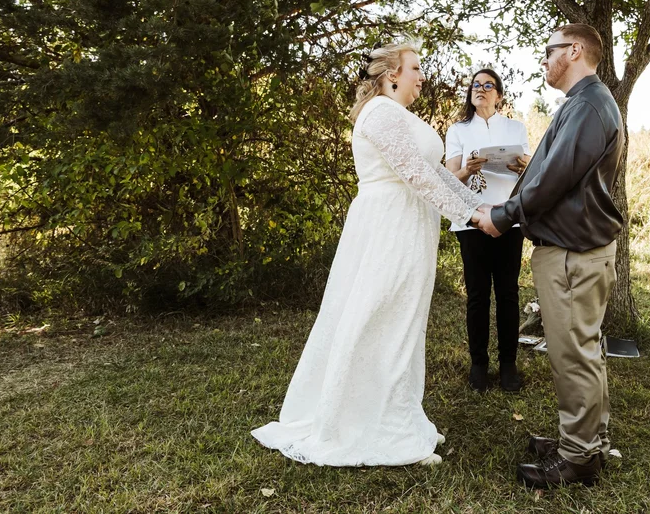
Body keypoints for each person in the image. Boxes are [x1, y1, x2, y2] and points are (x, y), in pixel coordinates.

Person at [252, 41, 486, 467]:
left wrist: (479, 208)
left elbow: (435, 172)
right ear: (392, 73)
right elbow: (415, 175)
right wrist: (471, 217)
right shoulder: (379, 113)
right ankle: (375, 427)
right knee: (382, 318)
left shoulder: (400, 115)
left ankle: (400, 416)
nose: (420, 76)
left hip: (410, 226)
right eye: (415, 68)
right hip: (389, 227)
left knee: (404, 322)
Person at [474, 24, 625, 488]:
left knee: (572, 354)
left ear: (574, 51)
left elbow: (554, 178)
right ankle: (583, 440)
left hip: (573, 253)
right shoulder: (585, 104)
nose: (544, 60)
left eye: (549, 52)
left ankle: (578, 459)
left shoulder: (589, 105)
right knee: (583, 350)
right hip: (576, 248)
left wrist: (503, 215)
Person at [445, 68, 531, 393]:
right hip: (470, 219)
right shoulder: (458, 130)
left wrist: (525, 166)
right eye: (476, 85)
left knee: (508, 294)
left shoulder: (515, 128)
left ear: (499, 94)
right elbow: (449, 180)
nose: (480, 89)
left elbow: (531, 174)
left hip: (509, 218)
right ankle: (478, 365)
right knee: (478, 296)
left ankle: (508, 366)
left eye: (488, 85)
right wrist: (467, 169)